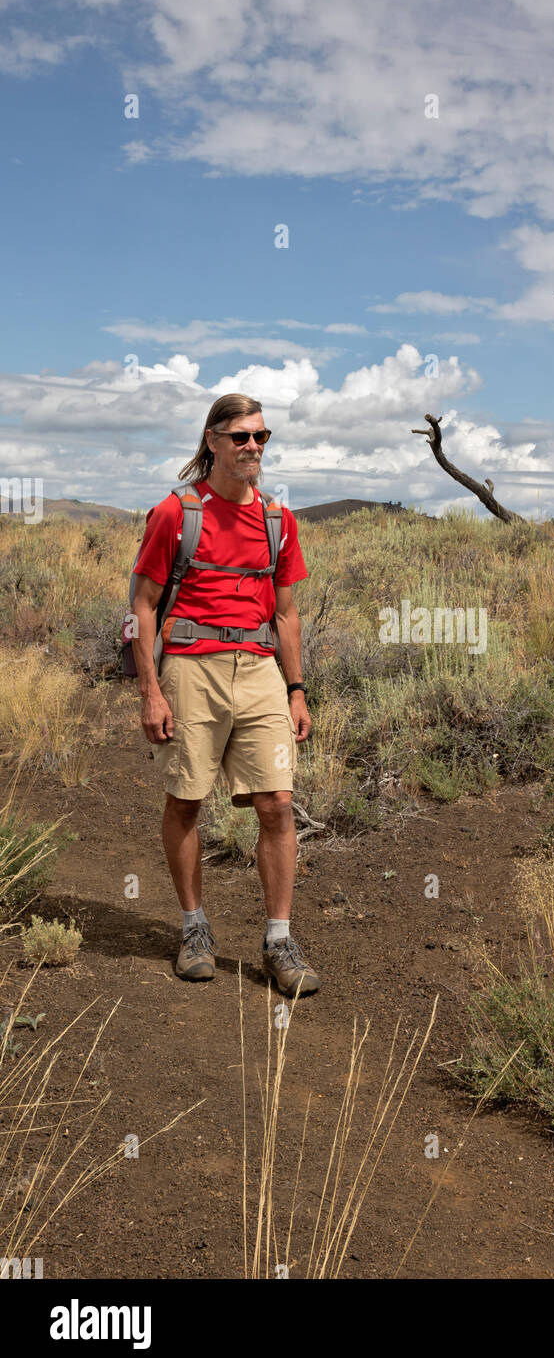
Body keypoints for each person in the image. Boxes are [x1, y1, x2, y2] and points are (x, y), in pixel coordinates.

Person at [130, 392, 320, 997]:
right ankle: (193, 929)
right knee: (186, 800)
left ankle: (279, 940)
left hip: (260, 669)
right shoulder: (176, 514)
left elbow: (286, 615)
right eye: (240, 436)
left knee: (278, 806)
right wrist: (150, 692)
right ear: (211, 440)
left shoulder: (277, 520)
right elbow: (141, 606)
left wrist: (296, 689)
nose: (253, 448)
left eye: (262, 437)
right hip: (190, 666)